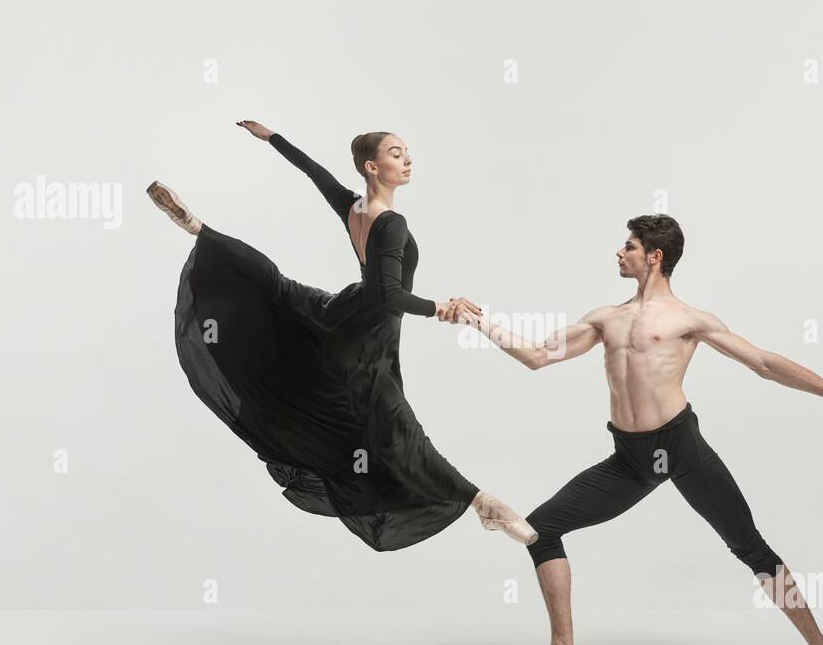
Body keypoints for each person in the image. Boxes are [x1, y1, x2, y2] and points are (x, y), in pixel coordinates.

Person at [445, 214, 823, 645]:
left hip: (680, 447)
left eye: (630, 247)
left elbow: (762, 362)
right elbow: (537, 357)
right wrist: (478, 321)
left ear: (654, 257)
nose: (620, 253)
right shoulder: (605, 319)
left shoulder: (688, 320)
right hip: (629, 458)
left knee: (750, 546)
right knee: (541, 528)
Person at [145, 121, 537, 552]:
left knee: (277, 288)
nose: (407, 159)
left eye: (406, 151)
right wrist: (440, 307)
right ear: (372, 167)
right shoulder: (392, 224)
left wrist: (272, 138)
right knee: (399, 434)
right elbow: (387, 294)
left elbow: (315, 173)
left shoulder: (354, 208)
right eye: (395, 152)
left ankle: (198, 227)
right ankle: (485, 504)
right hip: (366, 340)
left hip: (336, 314)